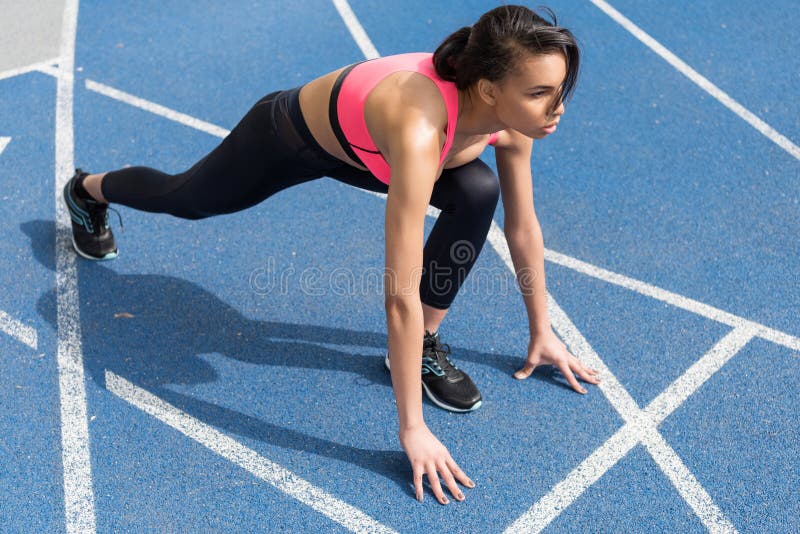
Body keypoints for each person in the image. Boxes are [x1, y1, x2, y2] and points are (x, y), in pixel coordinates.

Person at [63, 4, 601, 504]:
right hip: (290, 137)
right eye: (540, 93)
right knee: (187, 198)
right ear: (487, 89)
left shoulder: (512, 122)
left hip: (369, 147)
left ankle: (420, 348)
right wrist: (412, 429)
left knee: (478, 190)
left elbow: (522, 227)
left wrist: (542, 331)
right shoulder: (419, 128)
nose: (557, 107)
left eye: (559, 90)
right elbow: (398, 294)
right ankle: (87, 190)